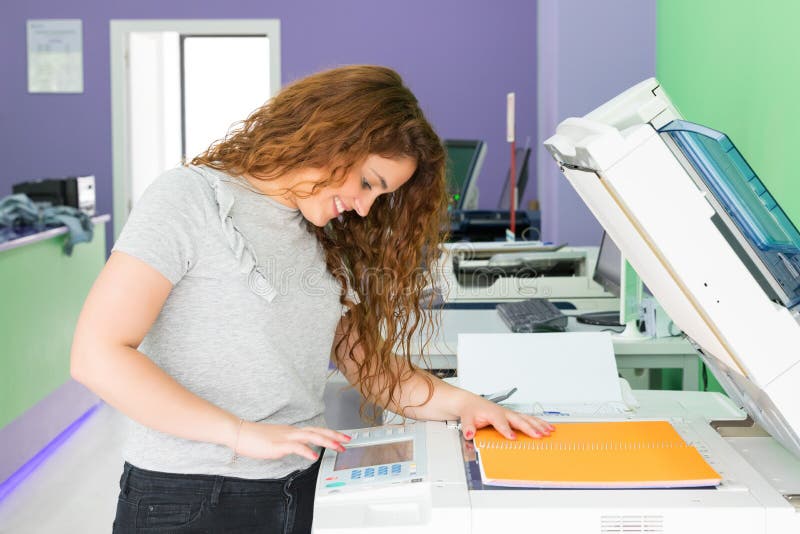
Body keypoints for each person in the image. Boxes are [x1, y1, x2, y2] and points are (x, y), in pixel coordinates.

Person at [71, 65, 554, 533]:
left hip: (301, 483)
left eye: (379, 195)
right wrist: (239, 433)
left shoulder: (323, 232)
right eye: (367, 182)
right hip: (189, 496)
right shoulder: (191, 199)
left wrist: (465, 404)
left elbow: (366, 364)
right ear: (329, 137)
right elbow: (97, 356)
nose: (365, 205)